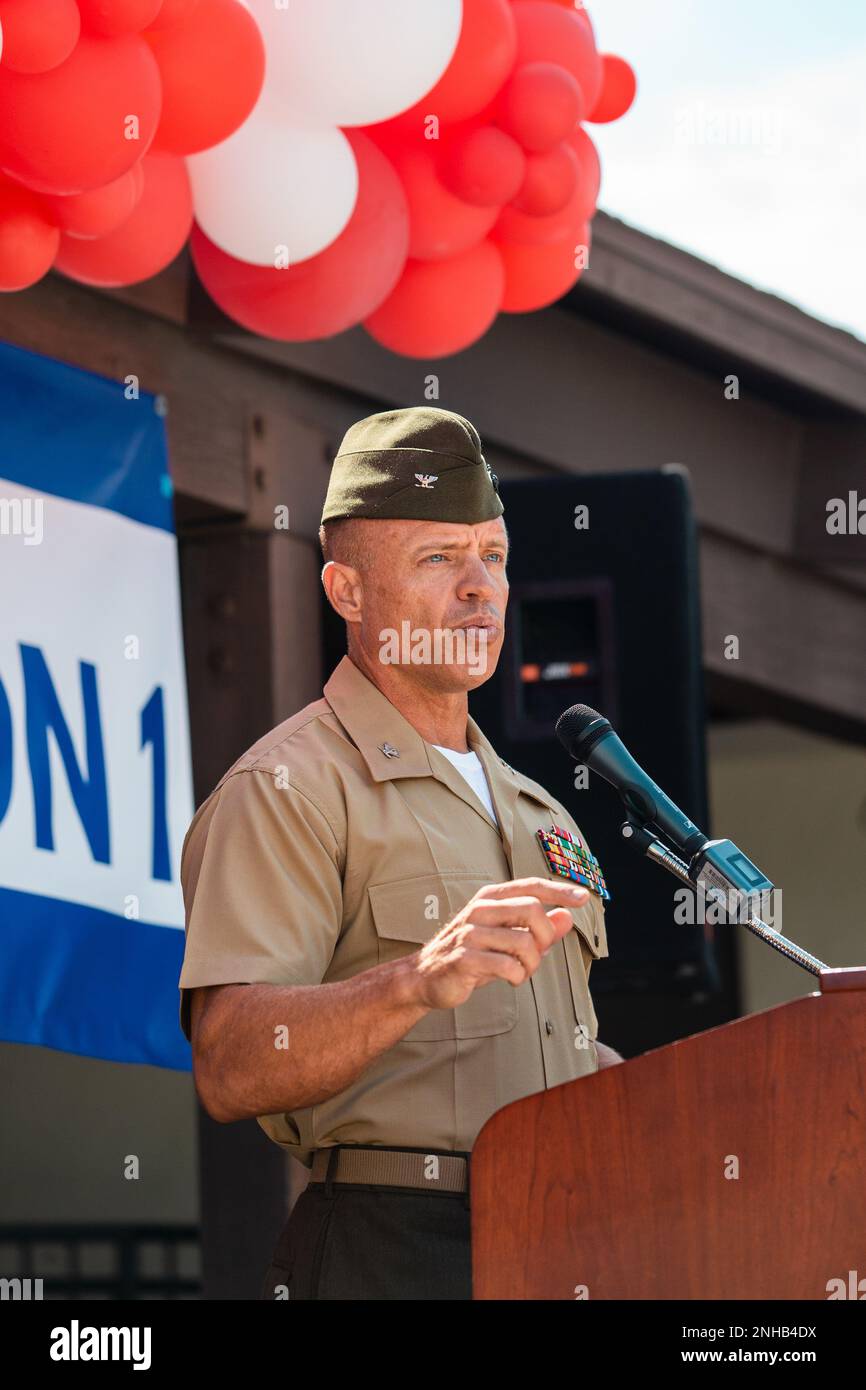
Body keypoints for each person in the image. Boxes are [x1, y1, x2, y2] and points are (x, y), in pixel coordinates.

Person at [178, 406, 623, 1301]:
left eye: (492, 557)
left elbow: (557, 1055)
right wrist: (417, 978)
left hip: (566, 1234)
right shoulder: (290, 787)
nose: (480, 590)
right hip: (396, 1247)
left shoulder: (542, 812)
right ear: (346, 592)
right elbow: (229, 1067)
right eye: (437, 559)